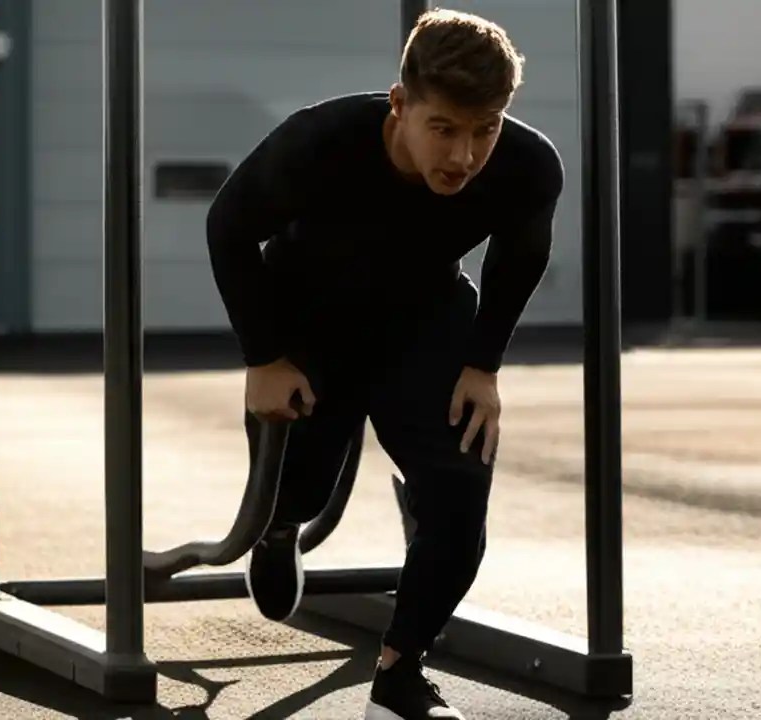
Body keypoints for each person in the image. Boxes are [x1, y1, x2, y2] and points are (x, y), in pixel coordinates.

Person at [205, 8, 563, 720]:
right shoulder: (319, 140)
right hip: (308, 321)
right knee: (297, 492)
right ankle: (279, 532)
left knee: (460, 489)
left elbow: (520, 257)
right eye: (444, 130)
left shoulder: (526, 164)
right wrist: (265, 358)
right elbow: (229, 227)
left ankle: (399, 676)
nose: (464, 156)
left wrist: (483, 366)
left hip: (425, 321)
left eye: (483, 129)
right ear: (400, 105)